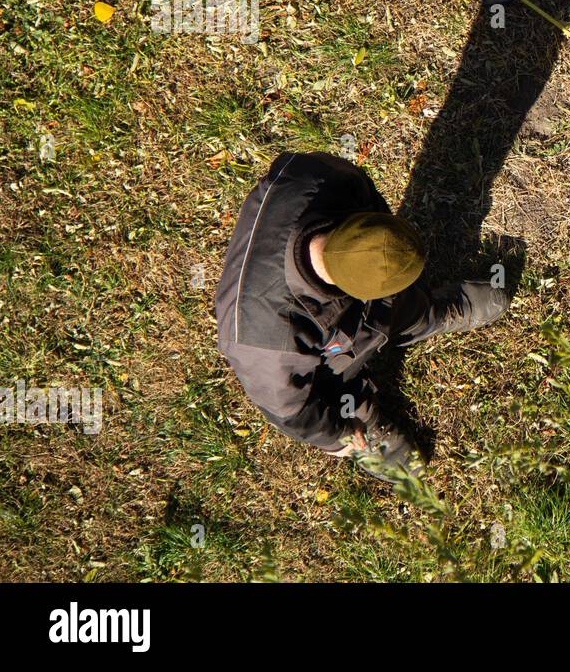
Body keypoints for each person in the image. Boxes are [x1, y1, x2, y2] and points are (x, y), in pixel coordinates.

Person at [213, 151, 508, 482]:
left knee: (388, 310)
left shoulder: (319, 177)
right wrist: (334, 437)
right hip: (317, 365)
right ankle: (359, 420)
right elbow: (291, 410)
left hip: (354, 287)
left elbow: (363, 191)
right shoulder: (263, 337)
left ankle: (419, 312)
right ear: (352, 291)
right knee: (335, 372)